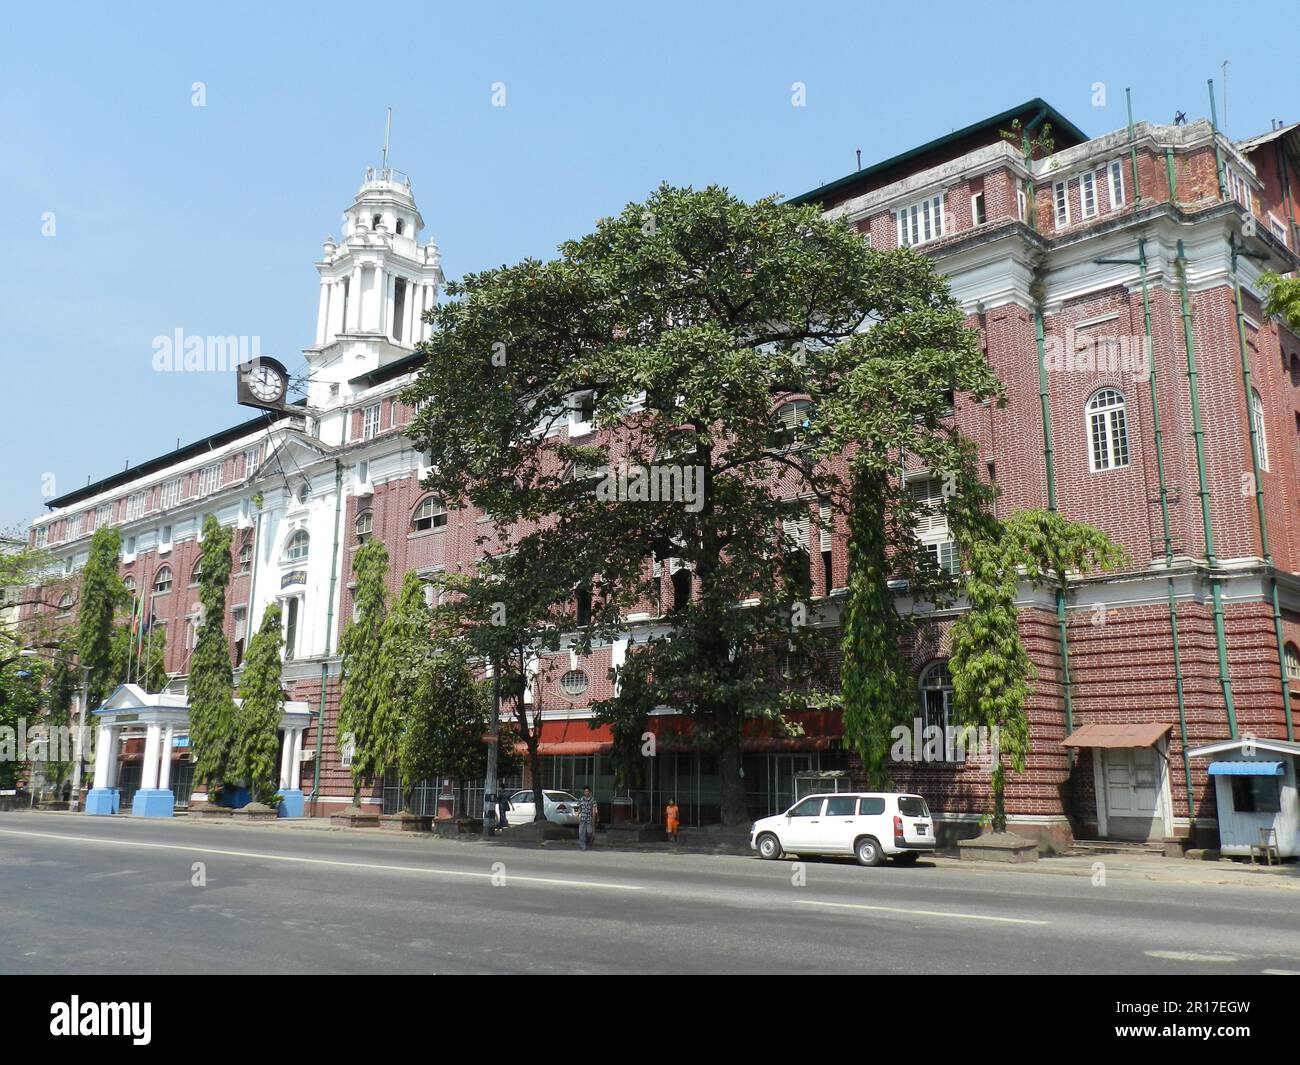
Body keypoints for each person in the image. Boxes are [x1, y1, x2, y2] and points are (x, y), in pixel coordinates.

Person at [578, 785, 598, 850]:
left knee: (589, 832)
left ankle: (589, 842)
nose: (586, 792)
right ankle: (582, 846)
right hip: (582, 818)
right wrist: (578, 814)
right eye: (585, 791)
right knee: (581, 832)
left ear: (589, 792)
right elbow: (579, 808)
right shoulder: (581, 799)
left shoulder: (592, 799)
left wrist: (594, 817)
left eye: (587, 791)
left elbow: (594, 809)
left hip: (589, 818)